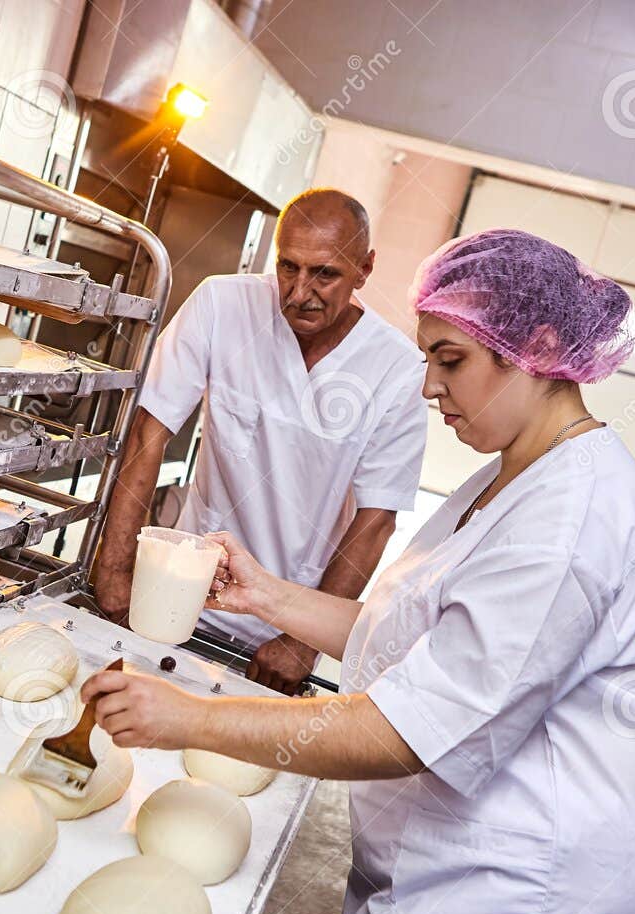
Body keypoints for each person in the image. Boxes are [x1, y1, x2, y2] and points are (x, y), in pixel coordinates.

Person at [81, 229, 635, 914]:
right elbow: (416, 639)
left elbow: (408, 729)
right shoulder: (515, 470)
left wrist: (191, 719)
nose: (428, 383)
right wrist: (271, 596)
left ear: (539, 352)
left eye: (451, 360)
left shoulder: (570, 519)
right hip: (447, 867)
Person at [92, 188, 427, 693]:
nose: (297, 292)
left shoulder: (396, 370)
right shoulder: (221, 304)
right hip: (181, 592)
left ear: (365, 269)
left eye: (325, 274)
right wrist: (115, 568)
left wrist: (301, 640)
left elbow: (376, 520)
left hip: (287, 624)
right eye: (288, 267)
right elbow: (147, 433)